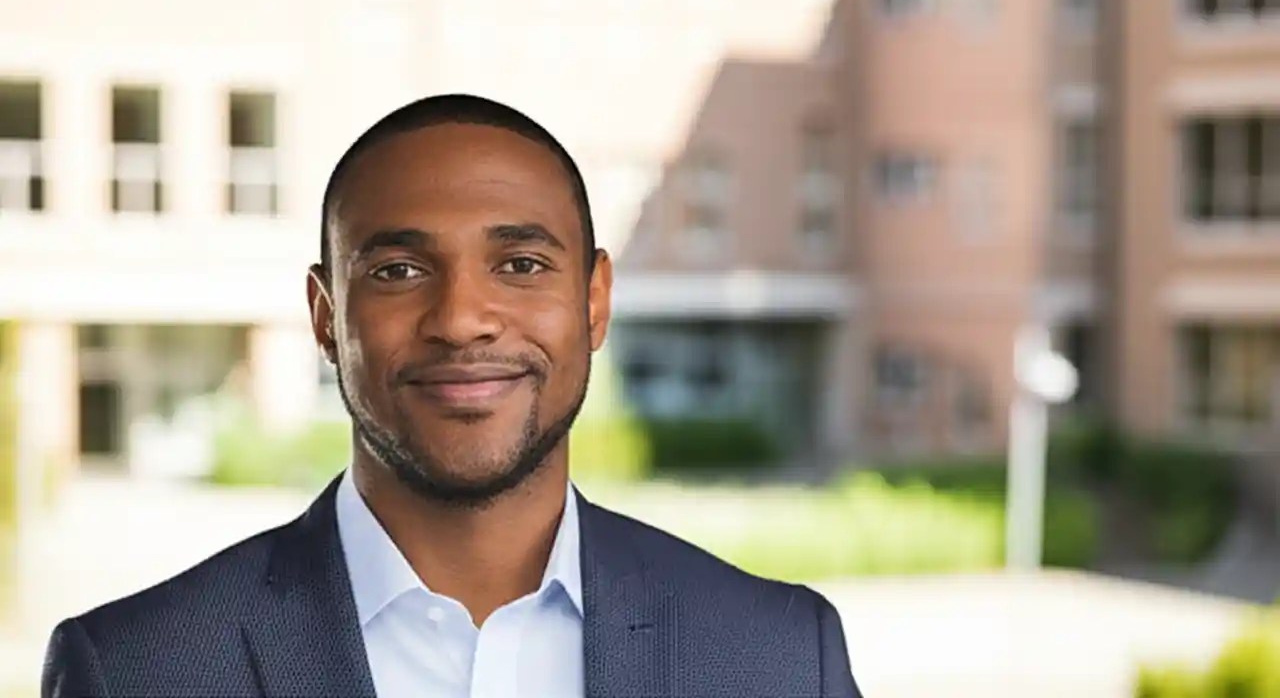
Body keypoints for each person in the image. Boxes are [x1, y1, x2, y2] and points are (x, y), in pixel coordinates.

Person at [42, 94, 862, 698]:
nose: (463, 319)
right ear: (327, 319)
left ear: (596, 301)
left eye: (521, 265)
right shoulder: (134, 671)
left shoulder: (778, 658)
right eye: (398, 271)